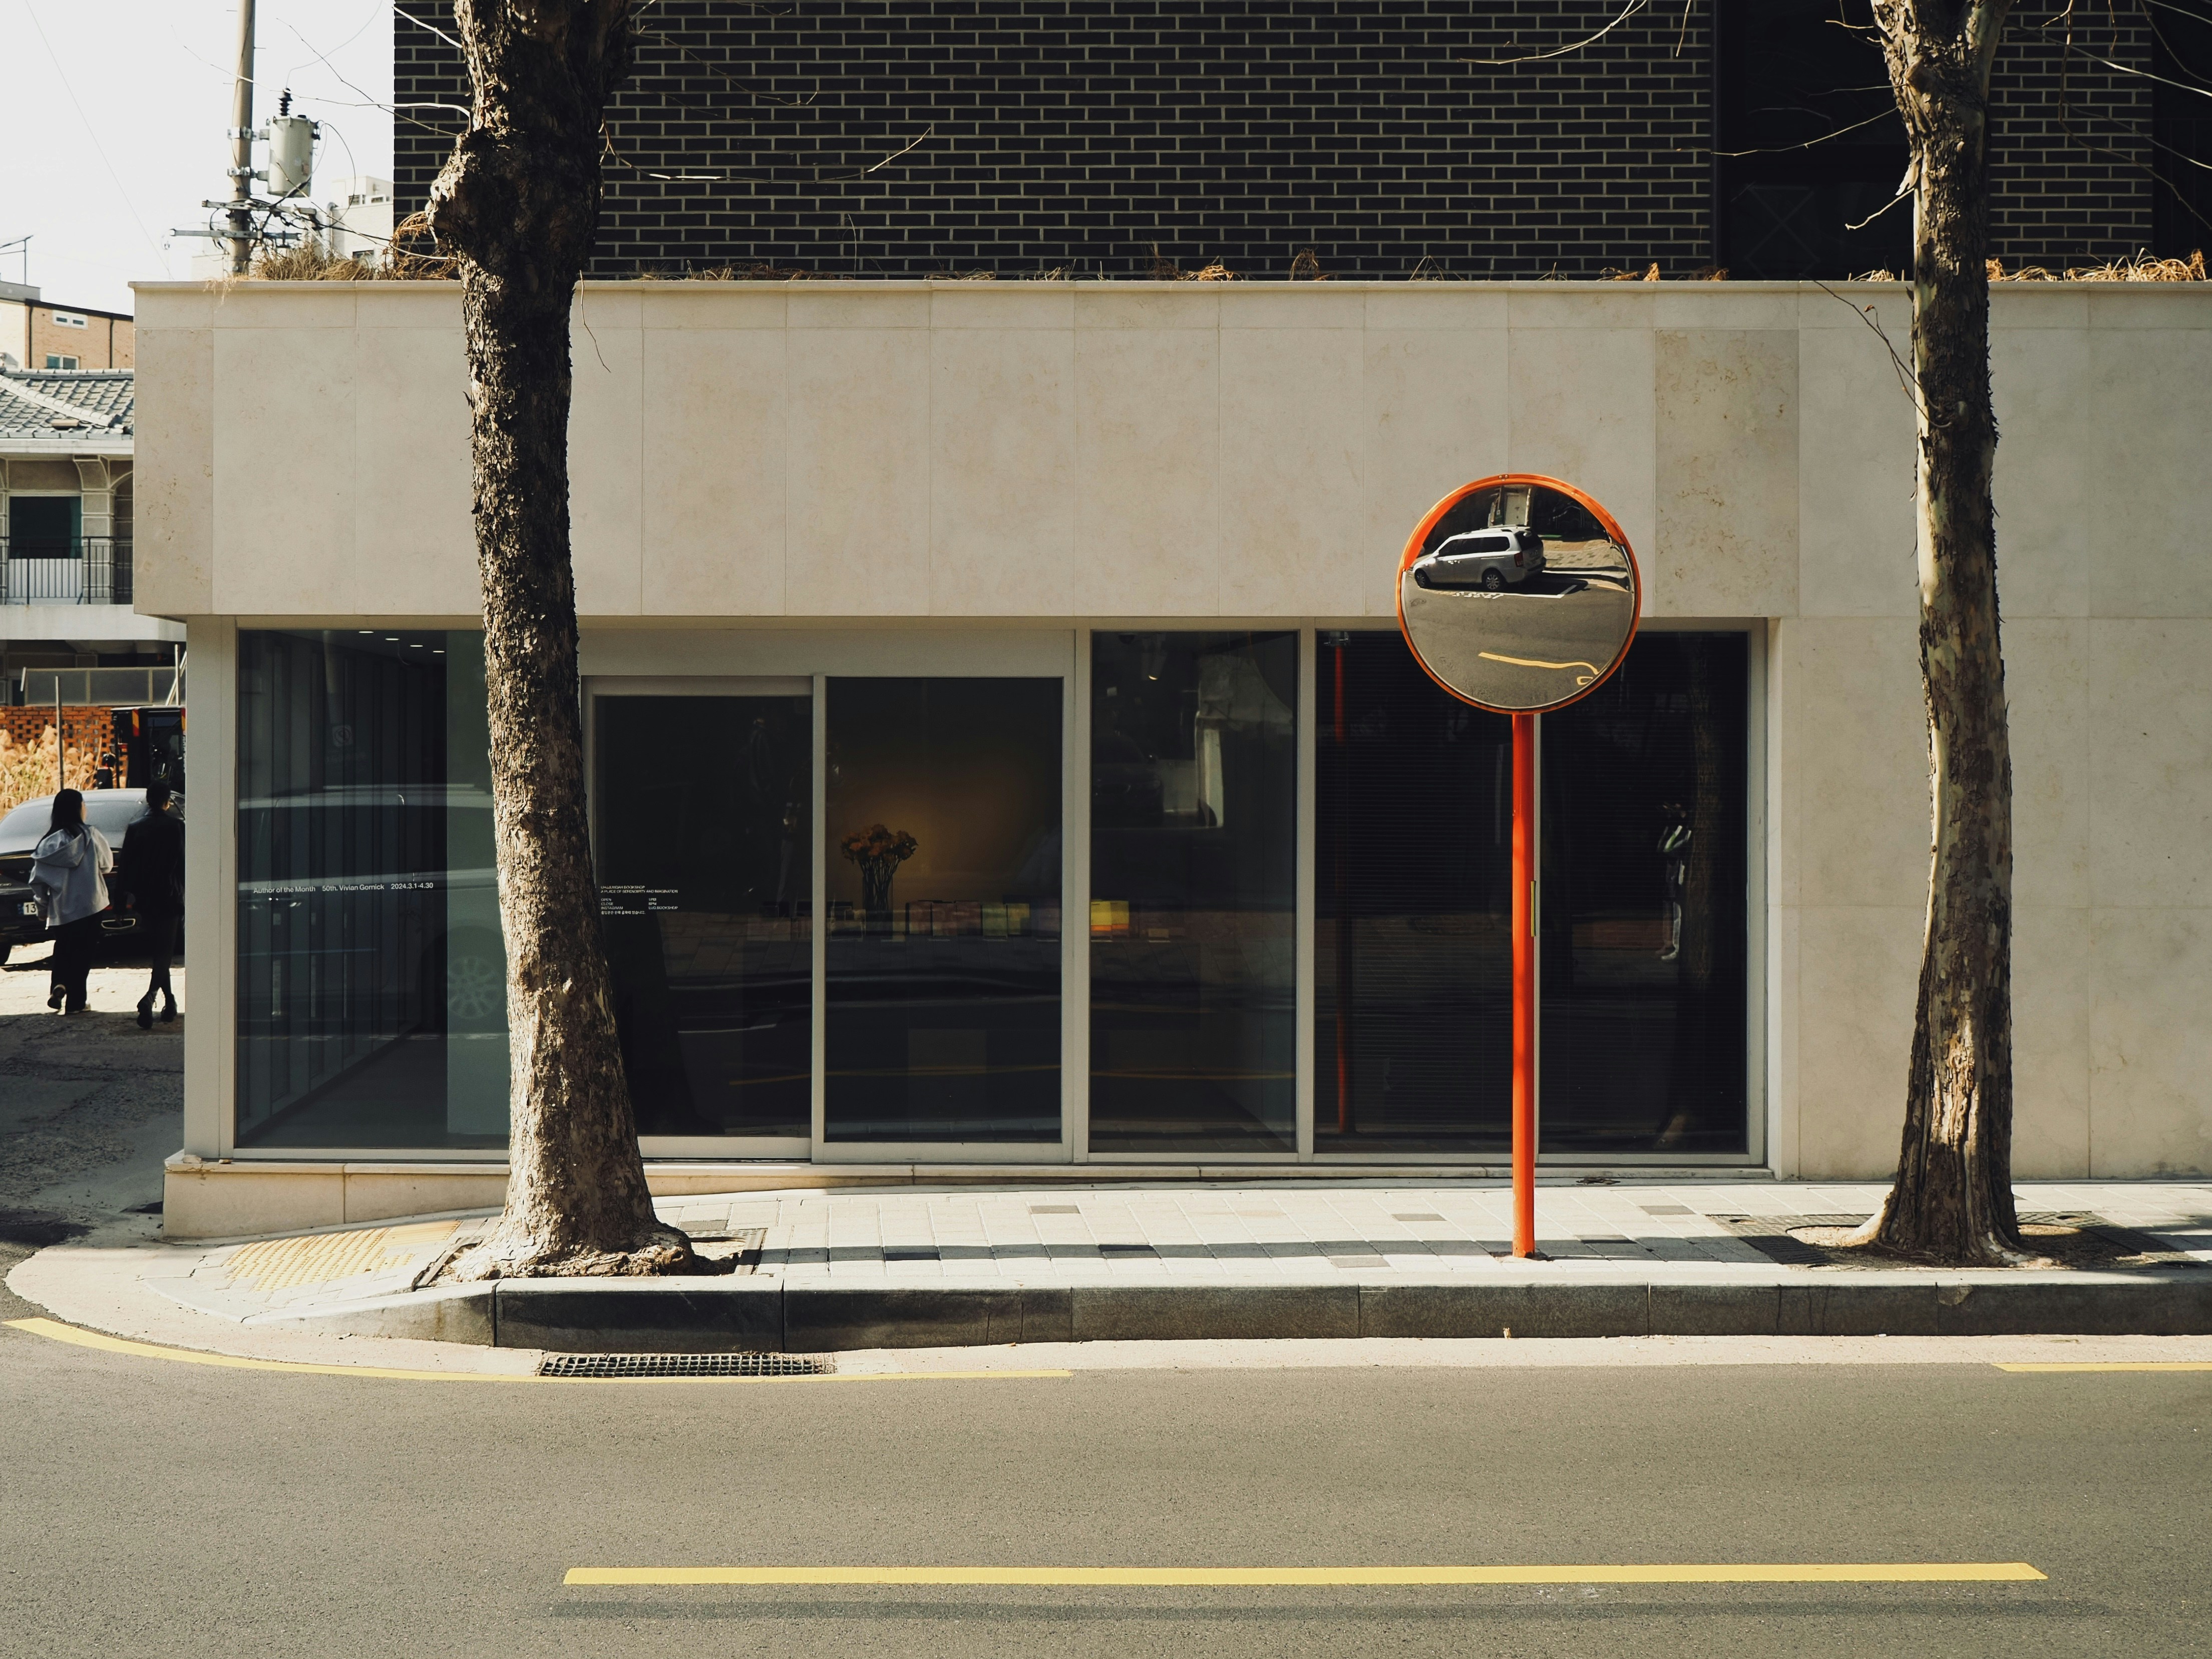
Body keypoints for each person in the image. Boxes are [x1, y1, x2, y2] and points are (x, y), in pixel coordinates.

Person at [29, 789, 114, 1016]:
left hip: (61, 909)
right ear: (79, 808)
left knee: (64, 948)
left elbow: (38, 882)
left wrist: (43, 908)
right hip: (91, 905)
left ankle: (59, 984)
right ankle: (76, 1002)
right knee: (83, 954)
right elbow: (107, 865)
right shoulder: (91, 836)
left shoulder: (47, 844)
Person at [120, 780, 185, 1027]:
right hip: (169, 896)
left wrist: (120, 904)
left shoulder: (136, 827)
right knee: (164, 954)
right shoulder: (176, 826)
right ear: (168, 801)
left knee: (159, 952)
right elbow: (183, 863)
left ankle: (169, 1002)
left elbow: (126, 866)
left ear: (148, 800)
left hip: (144, 899)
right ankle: (149, 999)